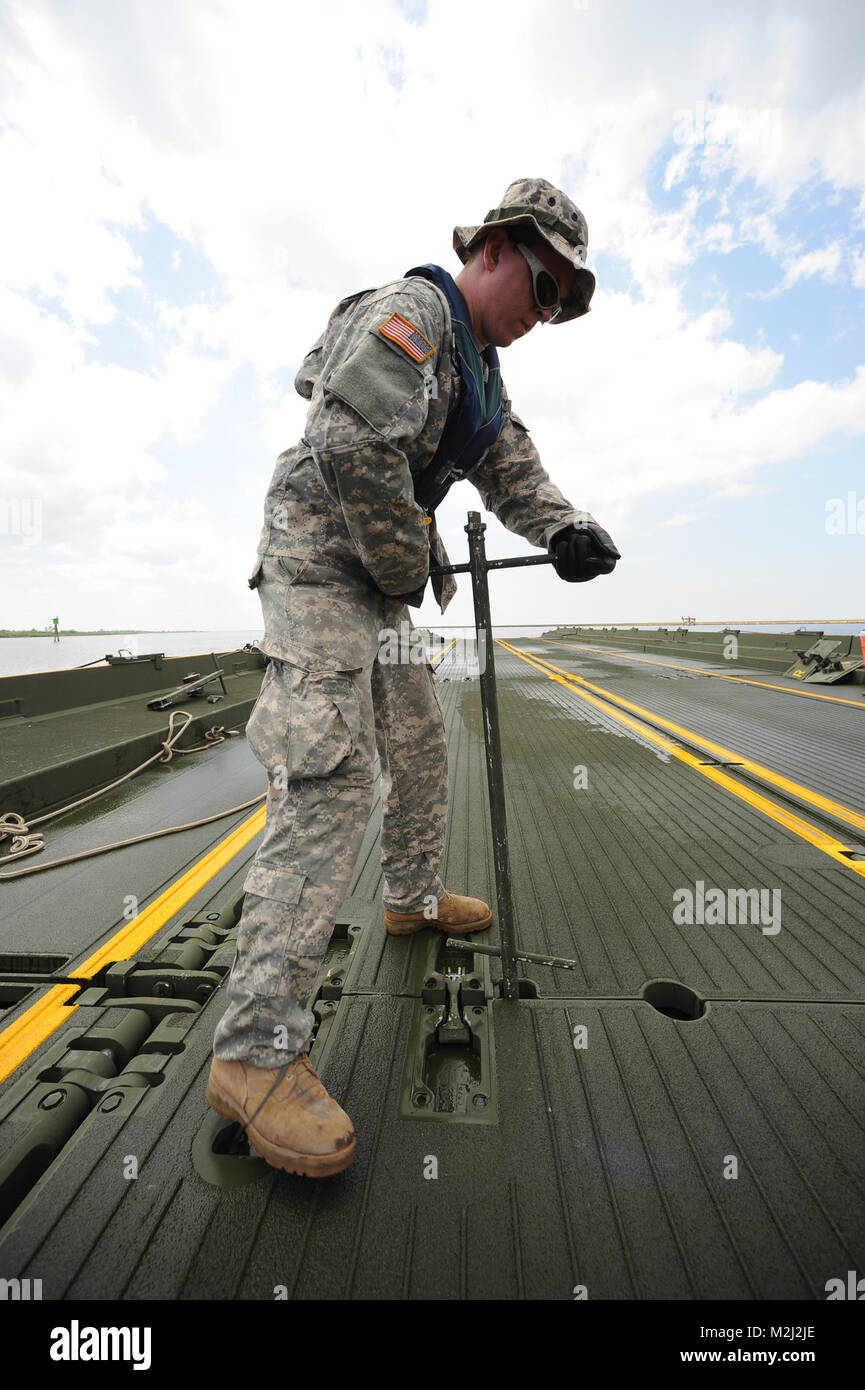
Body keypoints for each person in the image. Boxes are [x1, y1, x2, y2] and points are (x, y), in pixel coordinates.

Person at [206, 178, 620, 1178]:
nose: (547, 312)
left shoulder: (480, 375)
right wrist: (404, 567)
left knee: (420, 737)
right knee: (332, 778)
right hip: (322, 559)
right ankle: (254, 1052)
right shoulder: (413, 311)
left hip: (383, 575)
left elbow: (511, 469)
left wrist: (563, 525)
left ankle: (411, 895)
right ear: (495, 247)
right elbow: (346, 442)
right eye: (544, 284)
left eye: (564, 302)